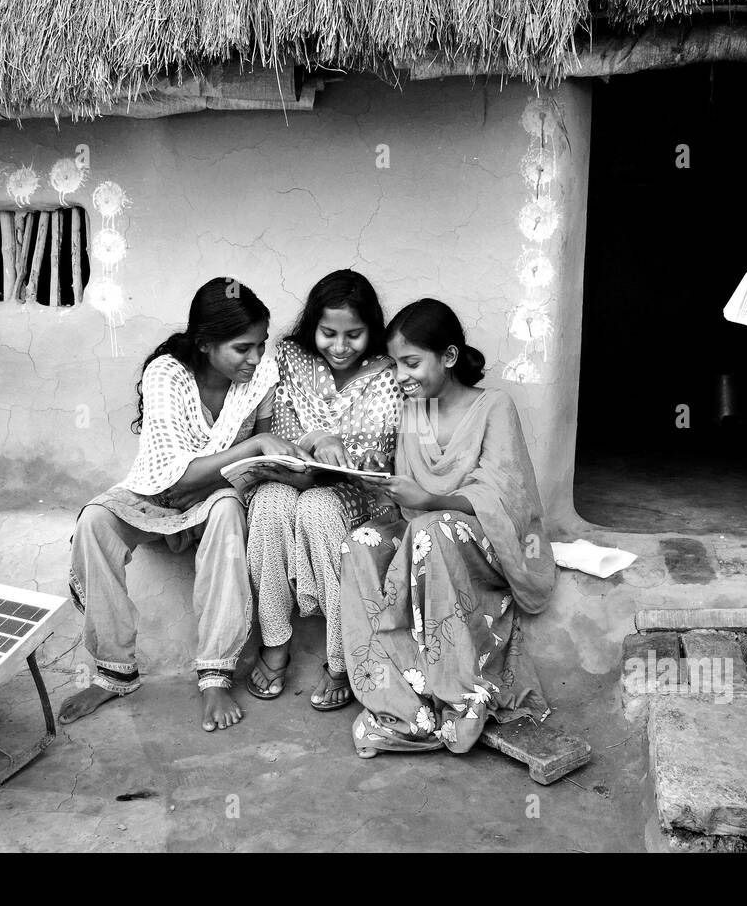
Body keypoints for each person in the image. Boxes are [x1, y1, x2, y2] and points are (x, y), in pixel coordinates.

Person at [62, 277, 311, 731]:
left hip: (218, 496)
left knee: (226, 512)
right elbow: (171, 478)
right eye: (241, 348)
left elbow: (263, 460)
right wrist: (250, 447)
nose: (254, 358)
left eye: (260, 344)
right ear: (205, 344)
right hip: (155, 495)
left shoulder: (261, 378)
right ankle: (113, 672)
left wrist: (251, 462)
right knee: (96, 520)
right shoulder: (167, 374)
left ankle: (215, 675)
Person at [339, 298, 557, 757]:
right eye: (396, 364)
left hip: (481, 545)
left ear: (450, 357)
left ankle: (460, 698)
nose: (400, 376)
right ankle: (401, 707)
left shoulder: (494, 405)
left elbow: (506, 499)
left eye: (411, 362)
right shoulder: (413, 412)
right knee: (359, 544)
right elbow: (406, 507)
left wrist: (431, 501)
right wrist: (383, 480)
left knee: (433, 529)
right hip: (422, 534)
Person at [245, 269, 402, 710]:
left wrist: (328, 444)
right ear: (312, 325)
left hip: (356, 493)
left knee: (316, 508)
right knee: (272, 503)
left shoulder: (385, 372)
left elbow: (376, 452)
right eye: (328, 333)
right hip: (287, 479)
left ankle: (340, 658)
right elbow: (280, 432)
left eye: (353, 335)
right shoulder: (290, 357)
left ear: (371, 331)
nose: (339, 346)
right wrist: (318, 440)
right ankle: (275, 642)